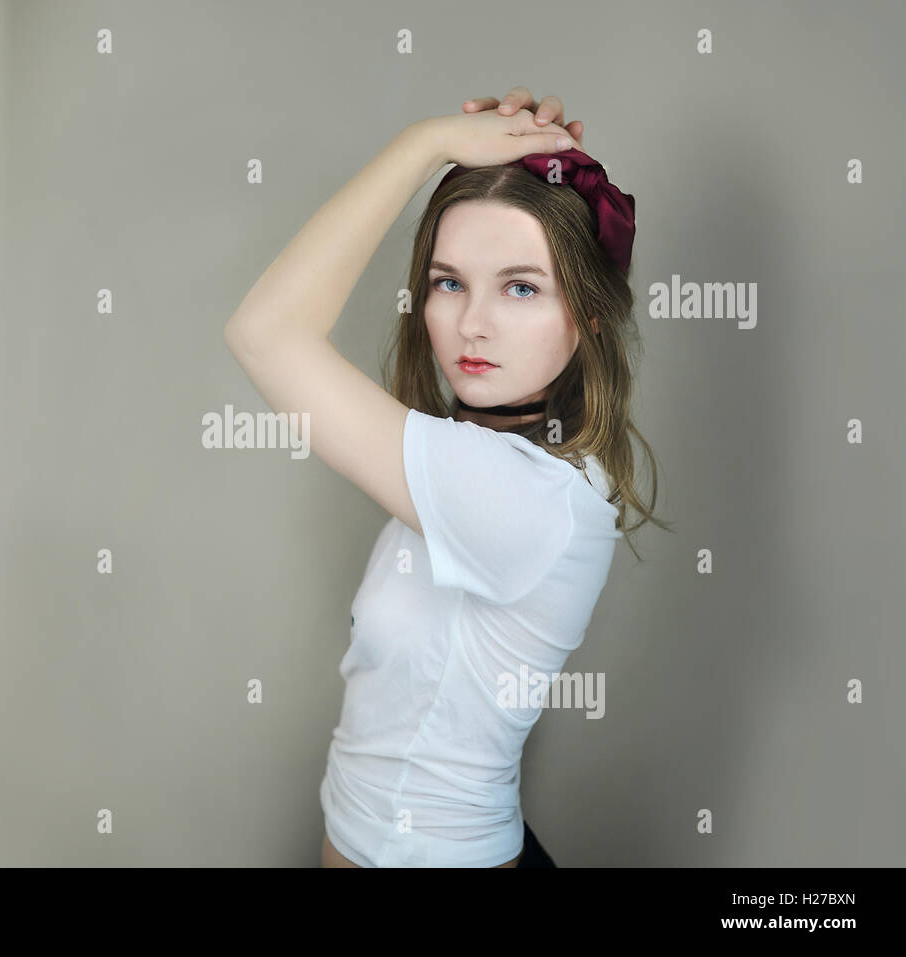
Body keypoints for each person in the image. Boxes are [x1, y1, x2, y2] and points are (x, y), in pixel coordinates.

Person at [225, 87, 672, 867]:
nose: (473, 324)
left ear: (591, 314)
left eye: (521, 287)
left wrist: (427, 141)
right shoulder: (510, 455)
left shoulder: (516, 493)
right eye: (448, 281)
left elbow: (266, 333)